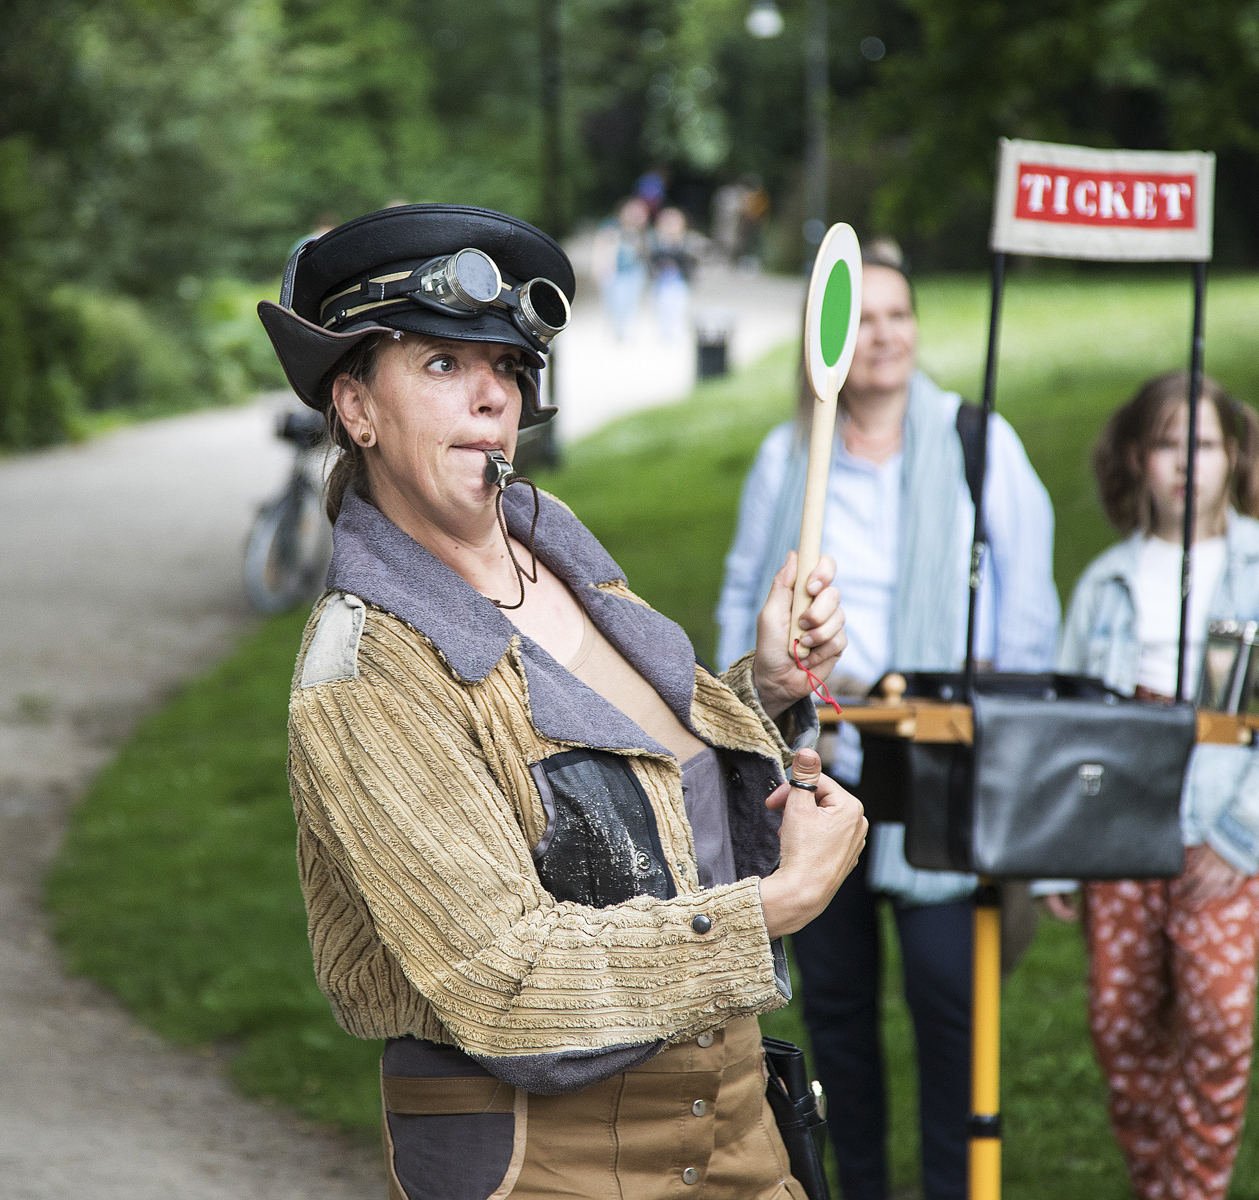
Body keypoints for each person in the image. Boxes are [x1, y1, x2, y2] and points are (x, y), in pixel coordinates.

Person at [255, 204, 871, 1199]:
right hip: (544, 1161)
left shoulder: (555, 549)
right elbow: (505, 978)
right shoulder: (368, 670)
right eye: (441, 366)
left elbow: (657, 798)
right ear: (356, 408)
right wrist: (776, 907)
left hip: (738, 1129)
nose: (489, 396)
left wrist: (769, 690)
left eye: (504, 366)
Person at [716, 243, 1059, 1200]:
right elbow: (746, 594)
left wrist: (997, 723)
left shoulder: (977, 441)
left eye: (898, 316)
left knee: (953, 1002)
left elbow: (1029, 613)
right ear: (830, 336)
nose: (883, 335)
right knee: (836, 1015)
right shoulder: (790, 456)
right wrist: (761, 716)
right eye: (863, 318)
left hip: (947, 769)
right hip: (821, 764)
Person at [1046, 371, 1259, 1200]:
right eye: (1168, 443)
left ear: (1234, 457)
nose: (1185, 463)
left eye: (1202, 444)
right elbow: (1071, 731)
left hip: (1218, 832)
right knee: (1122, 1029)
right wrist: (1065, 852)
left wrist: (1243, 831)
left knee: (1214, 1023)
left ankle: (1194, 1187)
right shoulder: (1106, 583)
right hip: (1118, 838)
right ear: (1136, 457)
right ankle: (1154, 1182)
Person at [591, 196, 651, 341]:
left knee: (630, 301)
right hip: (614, 270)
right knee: (614, 300)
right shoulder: (611, 226)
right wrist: (598, 266)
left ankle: (625, 330)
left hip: (634, 271)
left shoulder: (642, 232)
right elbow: (601, 247)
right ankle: (617, 329)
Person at [649, 206, 698, 341]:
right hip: (661, 281)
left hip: (679, 281)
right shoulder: (655, 240)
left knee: (678, 307)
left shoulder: (687, 240)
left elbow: (691, 261)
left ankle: (676, 333)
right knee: (662, 307)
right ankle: (664, 333)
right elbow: (650, 259)